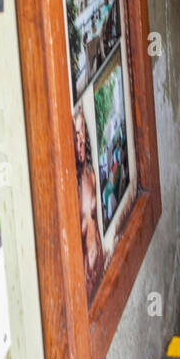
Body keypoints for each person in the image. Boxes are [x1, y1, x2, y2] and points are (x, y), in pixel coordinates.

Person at [74, 108, 104, 301]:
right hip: (87, 278)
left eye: (83, 133)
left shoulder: (90, 176)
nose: (81, 141)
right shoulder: (74, 193)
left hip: (99, 259)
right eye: (76, 137)